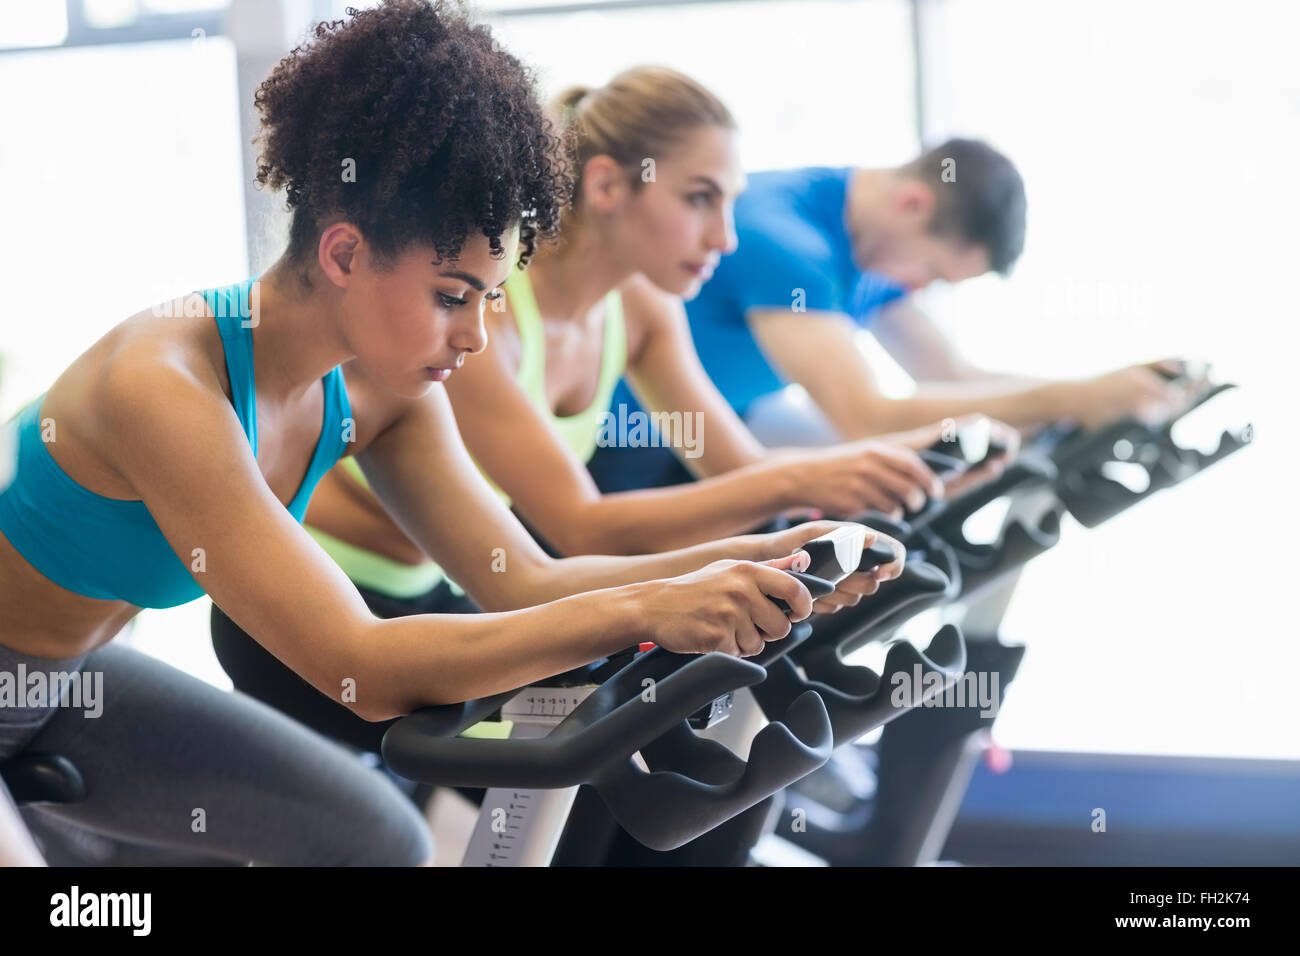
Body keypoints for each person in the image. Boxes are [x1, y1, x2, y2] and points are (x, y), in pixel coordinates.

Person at [0, 0, 889, 867]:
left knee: (378, 837)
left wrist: (760, 561)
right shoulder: (163, 384)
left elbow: (525, 578)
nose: (474, 335)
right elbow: (363, 660)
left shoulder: (385, 390)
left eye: (490, 299)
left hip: (66, 684)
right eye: (452, 296)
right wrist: (647, 609)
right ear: (345, 254)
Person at [587, 139, 1195, 490]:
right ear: (913, 203)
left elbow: (950, 377)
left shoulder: (876, 246)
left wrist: (1103, 393)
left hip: (713, 427)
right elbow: (865, 416)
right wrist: (1077, 397)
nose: (917, 289)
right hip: (610, 441)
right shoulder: (792, 246)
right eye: (929, 272)